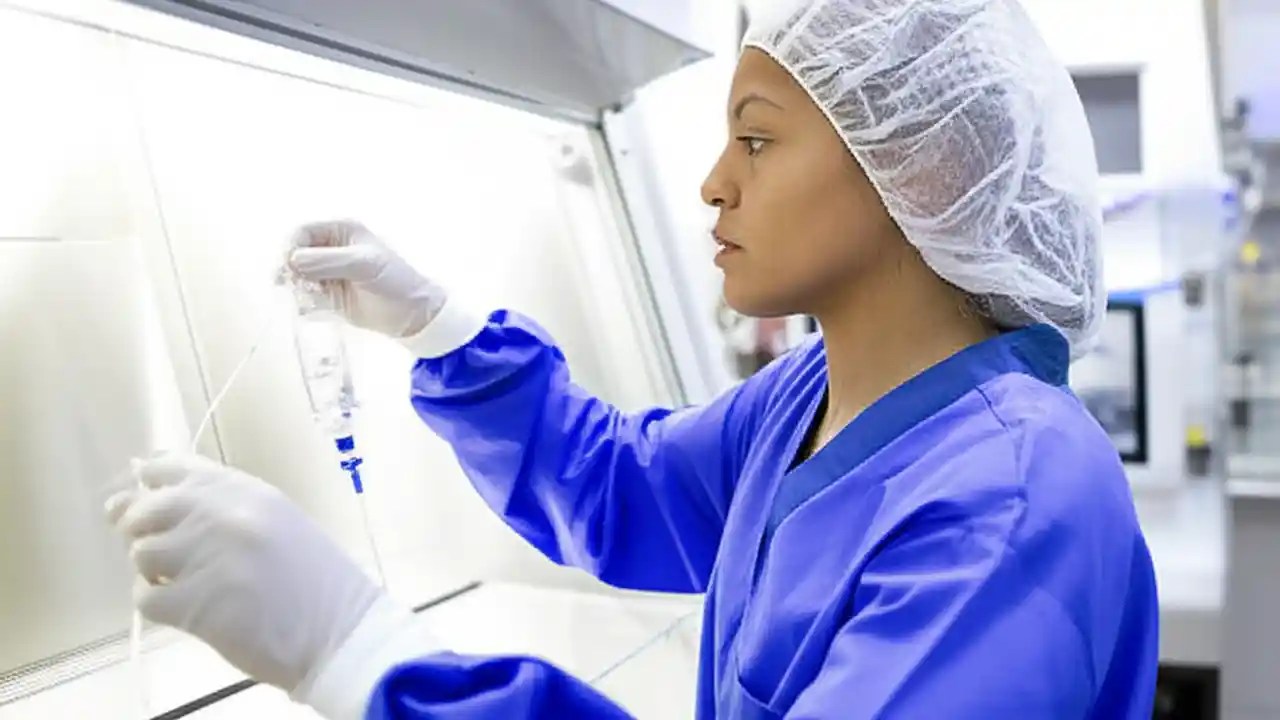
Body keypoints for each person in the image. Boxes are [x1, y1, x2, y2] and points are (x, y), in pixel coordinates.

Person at [106, 0, 1159, 717]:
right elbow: (627, 489)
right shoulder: (810, 396)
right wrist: (437, 330)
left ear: (919, 171)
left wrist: (362, 655)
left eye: (754, 140)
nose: (711, 183)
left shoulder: (1010, 503)